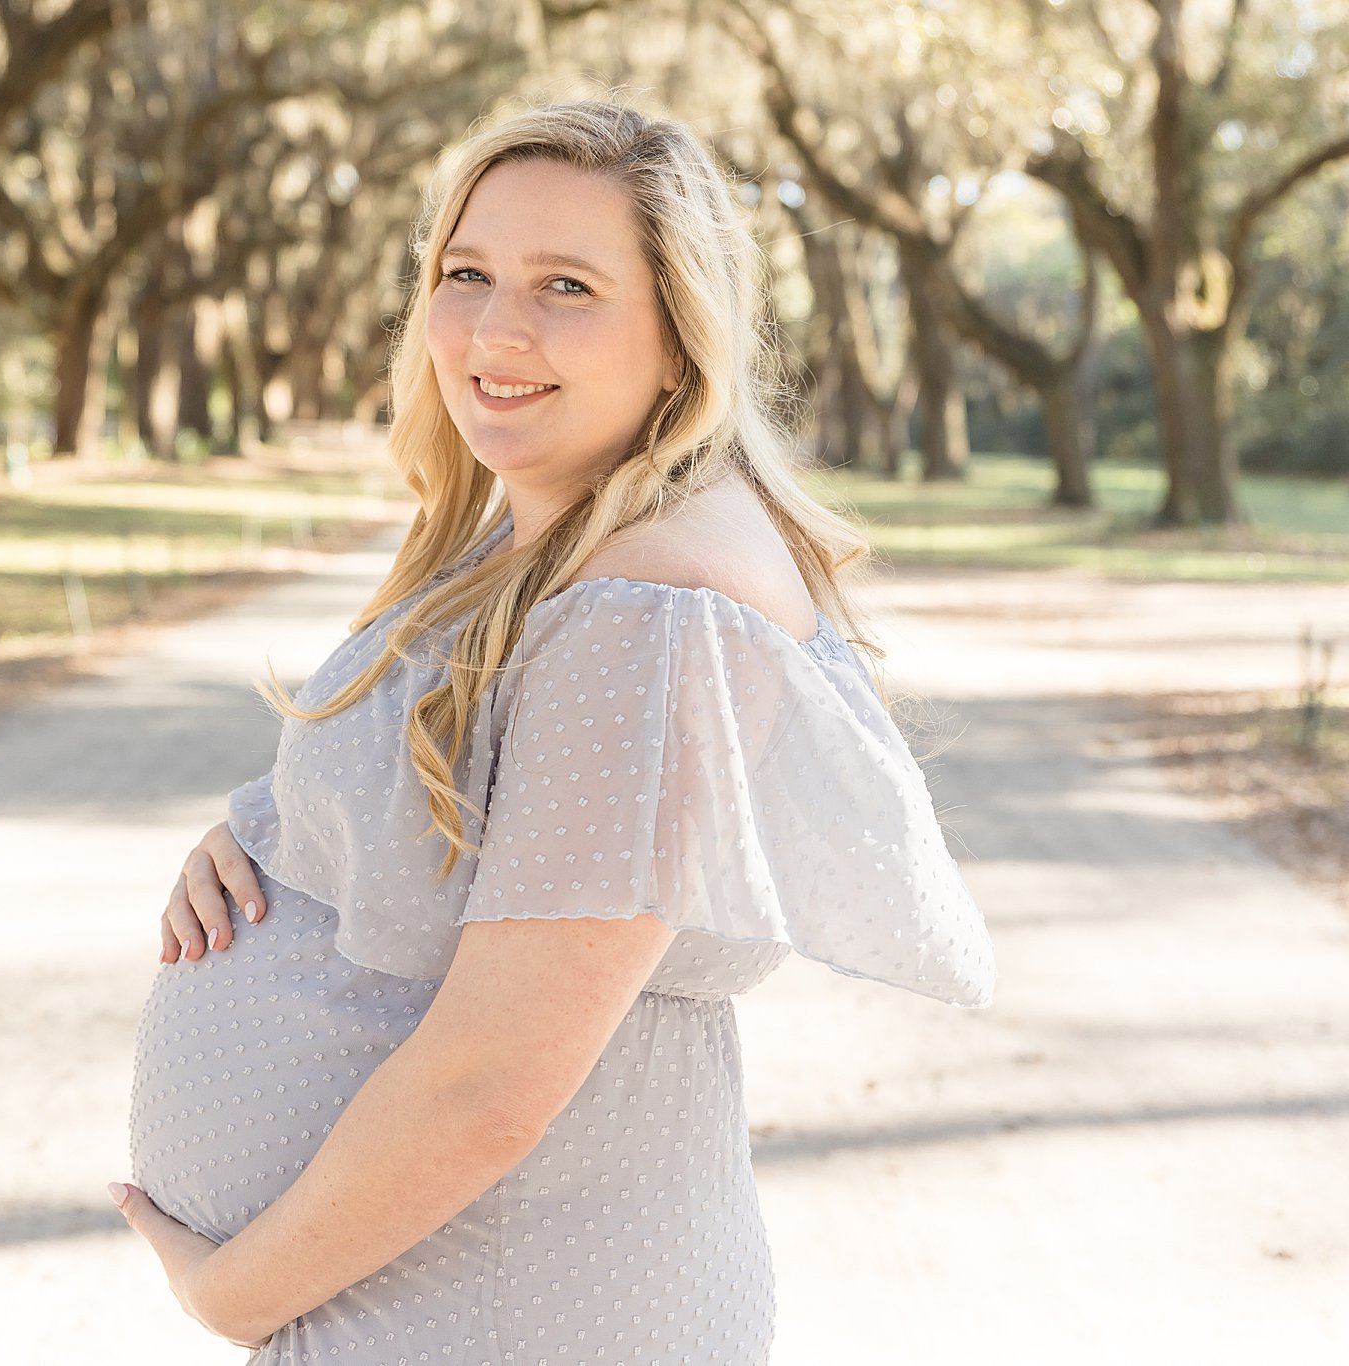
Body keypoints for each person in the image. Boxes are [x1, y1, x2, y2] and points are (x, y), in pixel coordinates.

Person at [109, 96, 996, 1363]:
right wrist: (265, 838)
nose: (495, 328)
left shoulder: (650, 614)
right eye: (464, 273)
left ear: (681, 341)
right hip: (447, 1294)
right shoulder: (551, 538)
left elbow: (492, 1082)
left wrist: (236, 1293)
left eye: (566, 287)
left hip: (506, 1303)